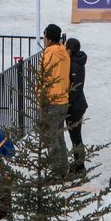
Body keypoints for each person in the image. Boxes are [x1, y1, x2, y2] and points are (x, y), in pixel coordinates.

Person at [39, 24, 70, 174]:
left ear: (49, 38)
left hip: (51, 100)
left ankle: (57, 171)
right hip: (63, 98)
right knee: (59, 136)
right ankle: (64, 168)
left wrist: (40, 100)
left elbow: (43, 78)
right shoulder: (64, 51)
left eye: (44, 36)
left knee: (52, 139)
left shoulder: (48, 53)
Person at [65, 38, 88, 172]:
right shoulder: (78, 61)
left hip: (75, 106)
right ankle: (78, 164)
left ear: (69, 50)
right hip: (78, 104)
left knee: (76, 136)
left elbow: (75, 87)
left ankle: (80, 166)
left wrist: (68, 103)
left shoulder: (74, 65)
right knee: (75, 136)